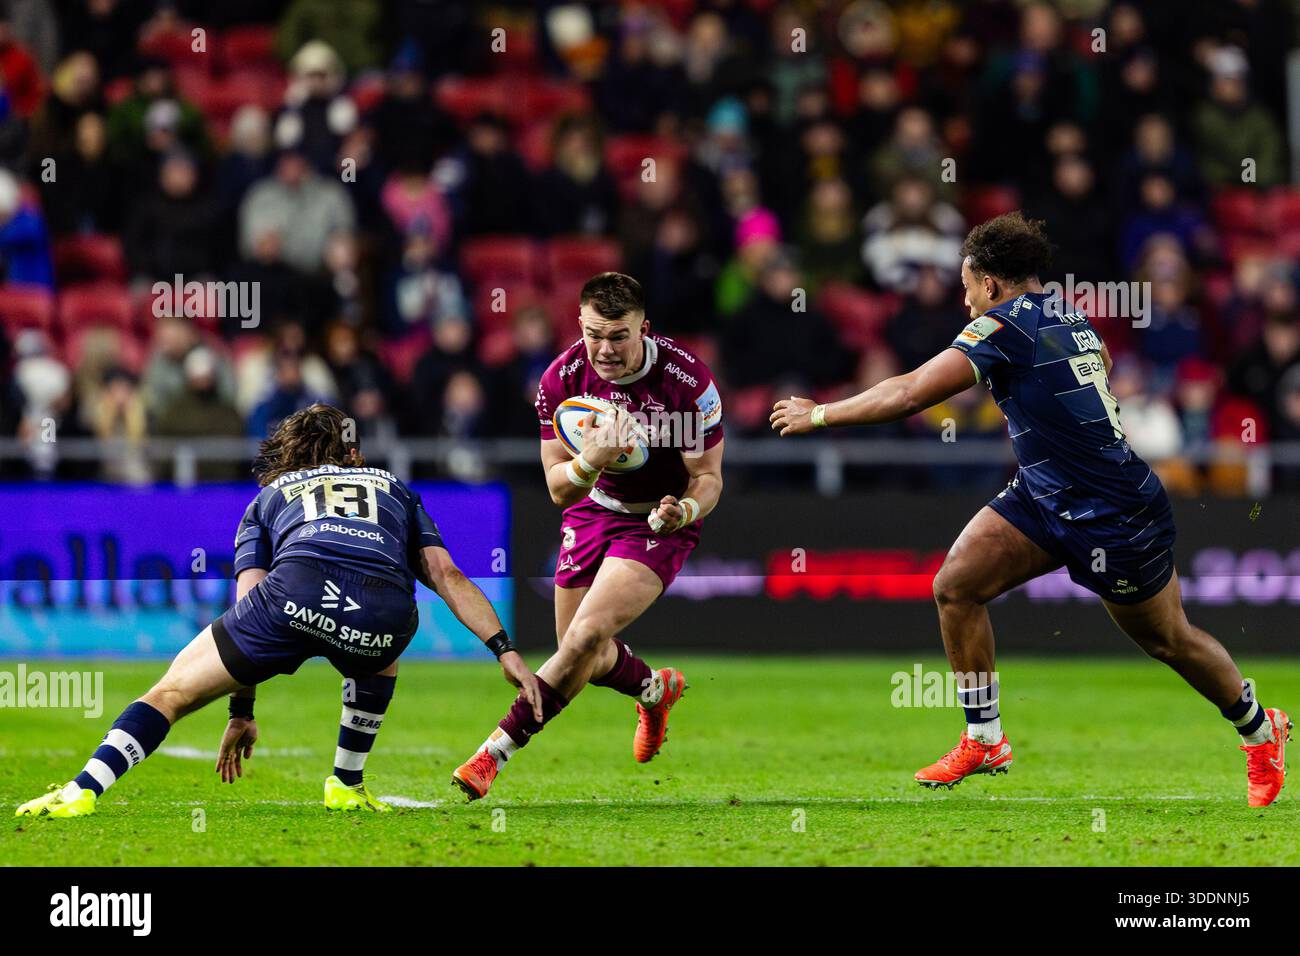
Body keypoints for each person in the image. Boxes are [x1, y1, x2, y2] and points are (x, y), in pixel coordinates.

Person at [770, 213, 1290, 807]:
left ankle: (1257, 727)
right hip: (1044, 494)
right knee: (956, 586)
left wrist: (821, 414)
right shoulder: (1070, 315)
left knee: (1168, 639)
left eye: (968, 285)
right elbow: (1103, 373)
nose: (965, 300)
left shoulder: (1000, 327)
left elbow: (913, 391)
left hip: (1113, 509)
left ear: (991, 283)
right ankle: (984, 738)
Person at [16, 403, 540, 818]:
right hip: (384, 615)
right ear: (352, 453)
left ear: (288, 453)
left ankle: (82, 790)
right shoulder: (395, 489)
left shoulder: (269, 496)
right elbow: (446, 576)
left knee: (170, 693)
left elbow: (250, 600)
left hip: (295, 593)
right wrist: (505, 649)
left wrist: (241, 709)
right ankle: (347, 785)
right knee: (383, 636)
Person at [450, 272, 724, 799]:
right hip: (592, 510)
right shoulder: (561, 380)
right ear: (579, 323)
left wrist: (684, 509)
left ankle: (493, 754)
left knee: (582, 638)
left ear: (644, 327)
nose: (605, 349)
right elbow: (558, 489)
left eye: (619, 335)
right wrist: (594, 459)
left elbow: (709, 478)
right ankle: (652, 689)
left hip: (657, 522)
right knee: (580, 655)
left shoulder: (687, 384)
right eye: (594, 333)